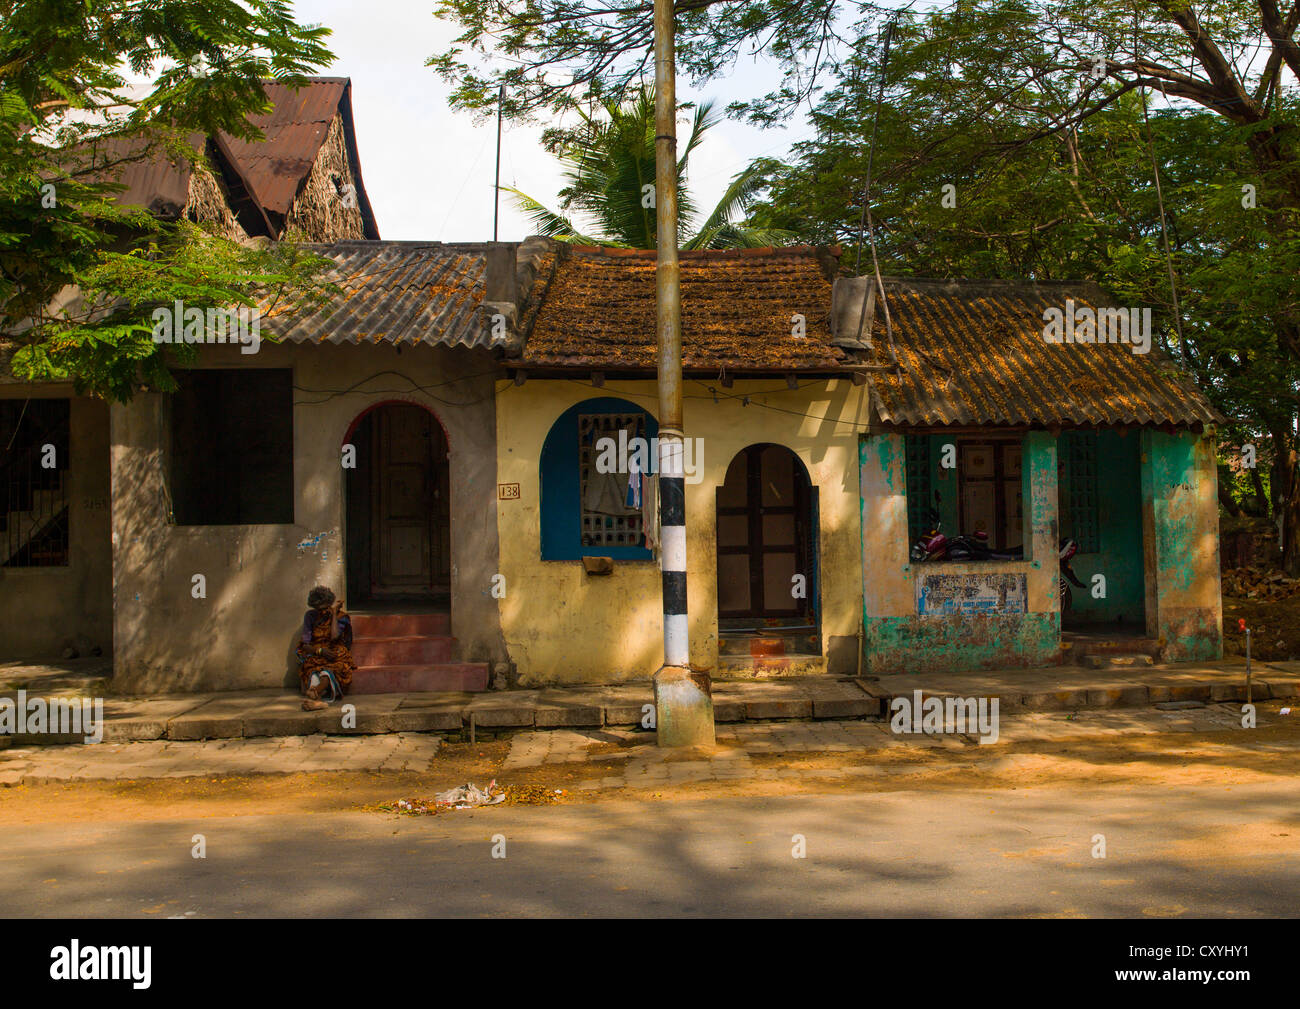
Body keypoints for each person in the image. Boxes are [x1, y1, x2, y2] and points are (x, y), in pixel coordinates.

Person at [297, 586, 355, 711]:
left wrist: (334, 614)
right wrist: (319, 651)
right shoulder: (310, 616)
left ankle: (314, 695)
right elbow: (305, 644)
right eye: (318, 609)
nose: (322, 612)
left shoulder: (340, 617)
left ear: (330, 604)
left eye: (324, 608)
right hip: (316, 652)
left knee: (333, 669)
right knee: (312, 668)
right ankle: (317, 697)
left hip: (336, 652)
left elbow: (334, 636)